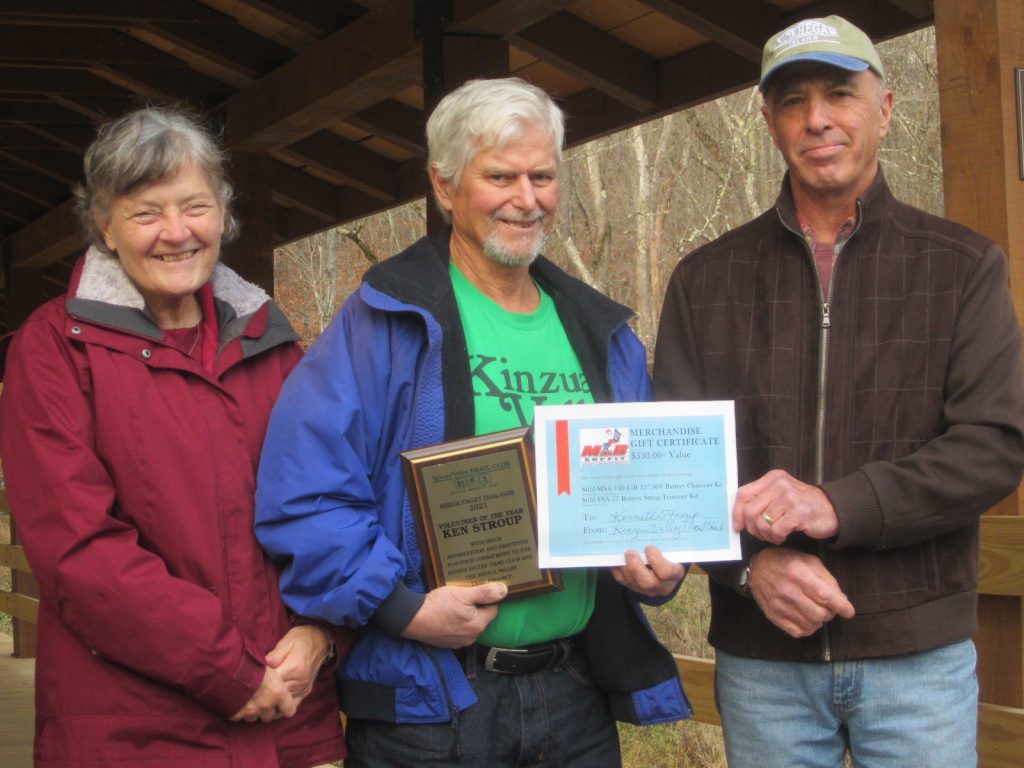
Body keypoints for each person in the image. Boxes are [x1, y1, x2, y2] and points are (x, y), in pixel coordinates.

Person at [254, 77, 691, 768]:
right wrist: (401, 609)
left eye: (543, 175)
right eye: (500, 176)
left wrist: (664, 568)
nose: (527, 198)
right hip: (433, 706)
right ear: (445, 185)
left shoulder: (601, 332)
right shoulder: (384, 321)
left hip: (576, 694)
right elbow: (305, 492)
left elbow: (648, 490)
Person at [654, 15, 1024, 768]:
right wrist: (749, 567)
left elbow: (993, 446)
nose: (817, 117)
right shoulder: (705, 280)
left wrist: (836, 504)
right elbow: (674, 473)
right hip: (764, 666)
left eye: (839, 93)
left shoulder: (962, 268)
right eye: (793, 99)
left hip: (918, 660)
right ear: (768, 121)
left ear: (884, 110)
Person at [0, 107, 347, 768]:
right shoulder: (54, 348)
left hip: (287, 724)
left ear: (224, 212)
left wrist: (322, 633)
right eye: (146, 213)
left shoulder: (273, 344)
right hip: (137, 734)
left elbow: (331, 503)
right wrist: (232, 672)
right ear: (104, 224)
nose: (176, 233)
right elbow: (79, 549)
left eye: (195, 206)